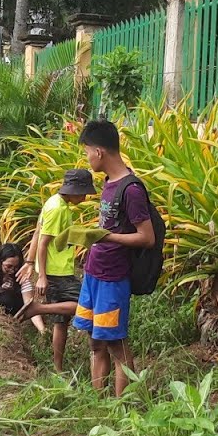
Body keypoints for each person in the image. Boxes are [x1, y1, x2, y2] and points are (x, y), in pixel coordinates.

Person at [72, 120, 155, 396]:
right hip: (94, 273)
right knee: (96, 342)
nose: (87, 157)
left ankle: (121, 405)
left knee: (116, 344)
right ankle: (98, 400)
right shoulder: (109, 183)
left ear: (99, 152)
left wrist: (107, 238)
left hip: (113, 279)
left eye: (86, 151)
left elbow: (147, 237)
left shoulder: (131, 189)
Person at [14, 169, 97, 369]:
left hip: (55, 270)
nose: (85, 197)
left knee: (61, 321)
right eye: (83, 192)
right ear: (73, 190)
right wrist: (42, 276)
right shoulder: (58, 210)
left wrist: (28, 262)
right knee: (88, 307)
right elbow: (43, 242)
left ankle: (58, 369)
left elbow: (37, 231)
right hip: (57, 273)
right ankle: (38, 309)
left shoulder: (53, 202)